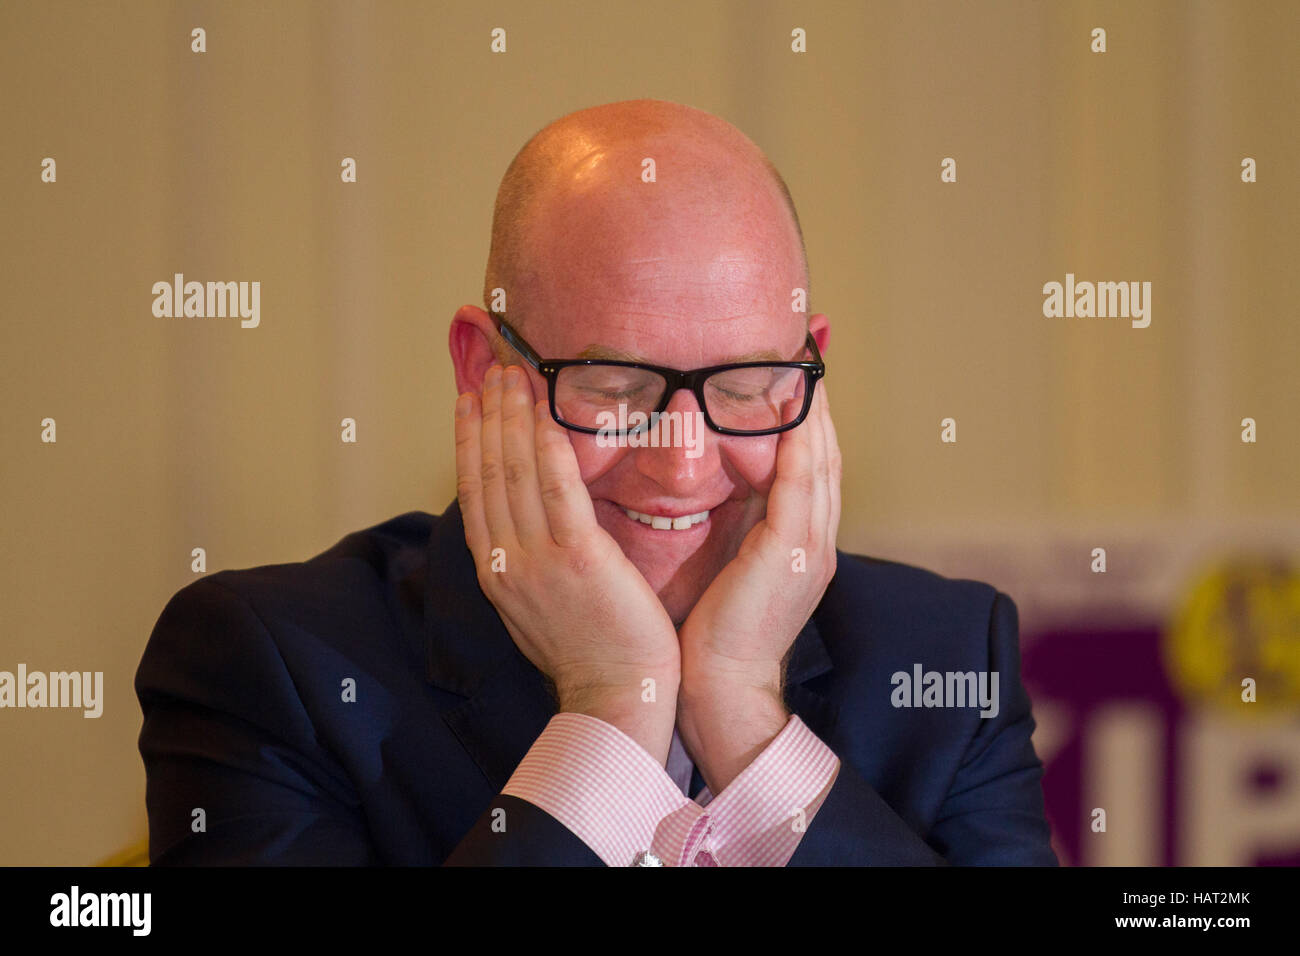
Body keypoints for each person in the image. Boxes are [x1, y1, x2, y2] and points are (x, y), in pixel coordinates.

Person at [135, 98, 1057, 866]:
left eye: (741, 389)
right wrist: (613, 706)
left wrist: (745, 718)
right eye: (615, 390)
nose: (684, 461)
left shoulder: (947, 659)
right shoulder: (273, 667)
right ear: (480, 368)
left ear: (807, 369)